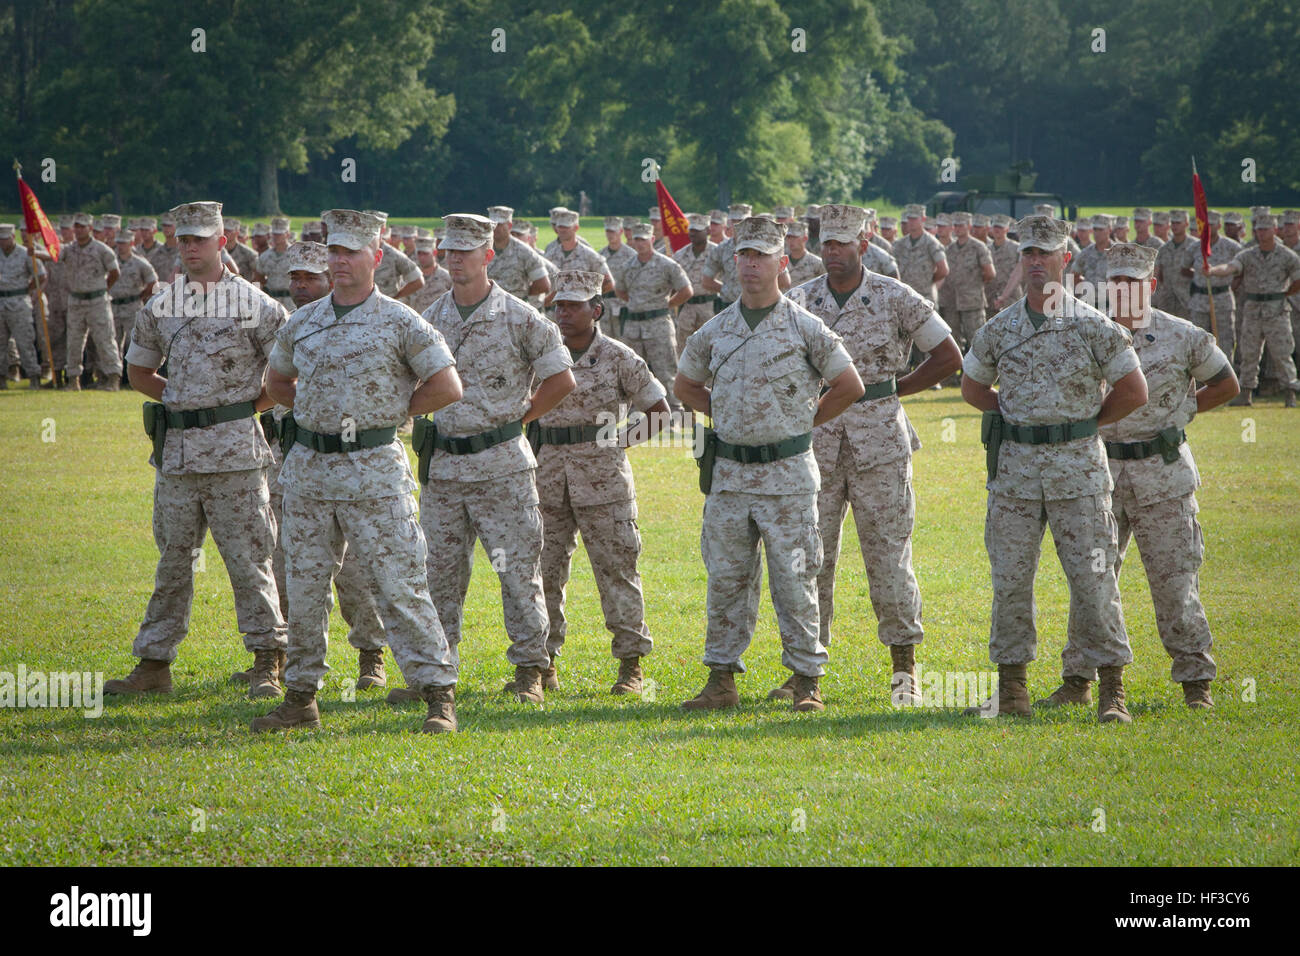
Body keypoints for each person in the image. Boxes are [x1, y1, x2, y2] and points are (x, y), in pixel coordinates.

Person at [256, 209, 464, 733]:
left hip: (374, 470)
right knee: (303, 586)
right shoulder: (303, 321)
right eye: (333, 251)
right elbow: (277, 381)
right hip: (308, 471)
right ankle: (301, 696)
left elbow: (447, 385)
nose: (340, 260)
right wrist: (307, 412)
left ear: (376, 255)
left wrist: (392, 412)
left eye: (351, 251)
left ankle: (438, 695)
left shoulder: (401, 320)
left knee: (399, 581)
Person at [960, 215, 1148, 723]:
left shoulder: (1093, 325)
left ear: (1066, 259)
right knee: (1011, 579)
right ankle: (1013, 689)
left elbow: (1134, 391)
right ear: (1018, 260)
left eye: (1045, 252)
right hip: (1016, 472)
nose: (1036, 261)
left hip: (1078, 471)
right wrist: (1011, 415)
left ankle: (1111, 690)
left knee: (1093, 579)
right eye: (1028, 253)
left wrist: (1085, 424)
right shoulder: (1000, 328)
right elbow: (972, 387)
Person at [674, 216, 864, 713]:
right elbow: (685, 384)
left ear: (783, 263)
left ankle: (806, 681)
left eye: (762, 256)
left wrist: (803, 420)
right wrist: (728, 412)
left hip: (787, 476)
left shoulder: (804, 326)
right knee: (726, 578)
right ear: (733, 261)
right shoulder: (716, 328)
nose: (751, 265)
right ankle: (720, 680)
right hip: (730, 476)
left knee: (796, 577)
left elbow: (849, 384)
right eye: (744, 255)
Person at [1040, 242, 1237, 711]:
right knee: (1092, 577)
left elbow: (1226, 383)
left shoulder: (1183, 335)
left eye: (1134, 282)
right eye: (1117, 282)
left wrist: (1181, 412)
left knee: (1174, 578)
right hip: (1098, 468)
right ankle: (1081, 679)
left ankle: (1195, 681)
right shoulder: (1085, 331)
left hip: (1163, 474)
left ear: (1151, 285)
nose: (1124, 289)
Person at [105, 201, 288, 699]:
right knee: (173, 562)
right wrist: (184, 400)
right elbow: (138, 370)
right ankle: (154, 664)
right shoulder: (161, 305)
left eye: (199, 239)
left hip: (235, 455)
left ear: (221, 242)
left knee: (250, 559)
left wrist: (244, 405)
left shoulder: (256, 304)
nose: (188, 247)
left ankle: (268, 662)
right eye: (182, 239)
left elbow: (287, 370)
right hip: (179, 455)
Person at [785, 204, 961, 704]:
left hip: (880, 443)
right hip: (815, 442)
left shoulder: (893, 296)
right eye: (826, 243)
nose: (832, 252)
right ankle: (805, 673)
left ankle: (904, 671)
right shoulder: (799, 300)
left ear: (865, 245)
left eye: (843, 243)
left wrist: (894, 391)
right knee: (809, 558)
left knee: (888, 559)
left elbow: (949, 357)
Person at [413, 213, 576, 704]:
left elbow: (562, 378)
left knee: (517, 571)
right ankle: (440, 673)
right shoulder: (429, 316)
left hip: (502, 466)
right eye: (449, 252)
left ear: (488, 256)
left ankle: (530, 668)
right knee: (438, 573)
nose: (455, 260)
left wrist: (521, 418)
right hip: (443, 467)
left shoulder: (520, 316)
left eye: (466, 252)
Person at [231, 240, 392, 693]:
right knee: (285, 562)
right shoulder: (290, 324)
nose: (301, 286)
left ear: (329, 278)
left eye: (311, 278)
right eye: (295, 278)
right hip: (290, 459)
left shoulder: (340, 323)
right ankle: (278, 657)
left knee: (355, 568)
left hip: (348, 461)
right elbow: (268, 383)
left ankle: (371, 655)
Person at [536, 270, 671, 693]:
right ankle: (543, 664)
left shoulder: (618, 356)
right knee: (542, 573)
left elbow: (659, 409)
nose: (564, 312)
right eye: (559, 304)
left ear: (596, 310)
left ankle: (631, 666)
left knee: (617, 570)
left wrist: (618, 443)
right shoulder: (540, 354)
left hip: (603, 481)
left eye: (574, 305)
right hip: (547, 478)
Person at [1206, 212, 1300, 406]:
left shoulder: (1287, 256)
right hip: (1253, 309)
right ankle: (1245, 393)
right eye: (1258, 229)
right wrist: (1213, 271)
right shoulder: (1248, 255)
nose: (1261, 233)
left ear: (1275, 230)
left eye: (1265, 229)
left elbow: (1298, 278)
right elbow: (1230, 268)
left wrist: (1285, 294)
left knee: (1282, 352)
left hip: (1277, 311)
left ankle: (1290, 392)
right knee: (1249, 353)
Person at [615, 221, 692, 423]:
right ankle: (635, 413)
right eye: (636, 240)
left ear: (651, 239)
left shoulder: (667, 265)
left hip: (658, 323)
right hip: (633, 325)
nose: (639, 244)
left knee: (666, 369)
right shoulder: (627, 266)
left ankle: (675, 412)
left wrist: (669, 304)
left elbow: (686, 290)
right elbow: (620, 290)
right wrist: (636, 303)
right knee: (632, 370)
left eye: (643, 239)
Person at [62, 211, 122, 391]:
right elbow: (53, 255)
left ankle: (113, 379)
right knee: (74, 342)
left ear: (90, 228)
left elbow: (115, 273)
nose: (79, 230)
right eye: (77, 226)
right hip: (76, 302)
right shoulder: (69, 249)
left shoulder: (102, 250)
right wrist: (36, 251)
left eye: (83, 227)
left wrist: (102, 289)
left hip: (97, 301)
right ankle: (73, 380)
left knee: (105, 340)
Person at [0, 223, 46, 389]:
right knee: (1, 343)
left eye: (5, 238)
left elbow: (40, 276)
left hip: (19, 301)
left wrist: (27, 289)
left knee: (25, 341)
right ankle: (2, 377)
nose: (3, 242)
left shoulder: (25, 253)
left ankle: (34, 376)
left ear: (13, 237)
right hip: (1, 302)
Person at [672, 213, 717, 357]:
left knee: (711, 350)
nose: (693, 233)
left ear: (708, 231)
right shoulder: (680, 255)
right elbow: (672, 284)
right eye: (691, 230)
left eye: (697, 230)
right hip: (686, 308)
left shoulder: (718, 252)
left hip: (711, 308)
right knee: (683, 352)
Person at [485, 206, 552, 301]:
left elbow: (543, 284)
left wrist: (521, 295)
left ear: (509, 226)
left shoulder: (524, 251)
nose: (495, 227)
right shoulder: (482, 249)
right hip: (488, 307)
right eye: (492, 224)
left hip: (514, 310)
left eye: (500, 224)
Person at [110, 230, 157, 358]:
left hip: (132, 307)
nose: (120, 246)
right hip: (113, 306)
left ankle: (130, 375)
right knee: (113, 343)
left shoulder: (139, 263)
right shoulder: (110, 261)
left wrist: (141, 296)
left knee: (134, 343)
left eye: (124, 243)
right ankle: (117, 375)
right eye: (118, 243)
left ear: (131, 243)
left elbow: (152, 281)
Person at [253, 217, 295, 311]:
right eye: (274, 234)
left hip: (290, 301)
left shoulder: (295, 255)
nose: (276, 236)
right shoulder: (265, 256)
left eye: (280, 234)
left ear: (287, 234)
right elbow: (259, 278)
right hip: (271, 300)